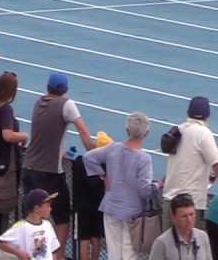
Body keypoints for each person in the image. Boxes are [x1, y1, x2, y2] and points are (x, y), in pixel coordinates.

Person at [23, 71, 97, 260]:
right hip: (49, 172)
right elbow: (83, 129)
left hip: (29, 167)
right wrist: (94, 152)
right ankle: (59, 255)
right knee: (63, 215)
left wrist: (60, 150)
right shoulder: (66, 104)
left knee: (34, 214)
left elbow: (46, 132)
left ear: (48, 87)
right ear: (65, 89)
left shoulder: (38, 102)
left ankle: (36, 254)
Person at [81, 112, 156, 260]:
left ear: (127, 130)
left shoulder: (112, 148)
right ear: (146, 133)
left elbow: (88, 157)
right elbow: (145, 191)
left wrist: (103, 175)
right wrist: (159, 185)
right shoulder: (144, 159)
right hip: (132, 214)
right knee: (129, 254)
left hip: (111, 208)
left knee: (114, 254)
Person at [0, 72, 30, 256]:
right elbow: (7, 135)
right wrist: (24, 136)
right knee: (5, 205)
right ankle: (4, 246)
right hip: (5, 164)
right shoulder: (5, 109)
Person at [162, 97, 218, 231]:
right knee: (193, 249)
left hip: (170, 201)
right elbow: (216, 165)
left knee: (169, 247)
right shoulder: (204, 133)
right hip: (191, 205)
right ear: (208, 115)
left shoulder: (178, 131)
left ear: (187, 113)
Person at [0, 190, 63, 260]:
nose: (50, 209)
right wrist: (18, 253)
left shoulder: (47, 225)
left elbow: (53, 250)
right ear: (37, 208)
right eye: (47, 206)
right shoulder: (21, 226)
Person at [149, 195, 213, 260]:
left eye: (191, 214)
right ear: (173, 217)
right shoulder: (162, 243)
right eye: (184, 216)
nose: (189, 219)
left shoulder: (203, 236)